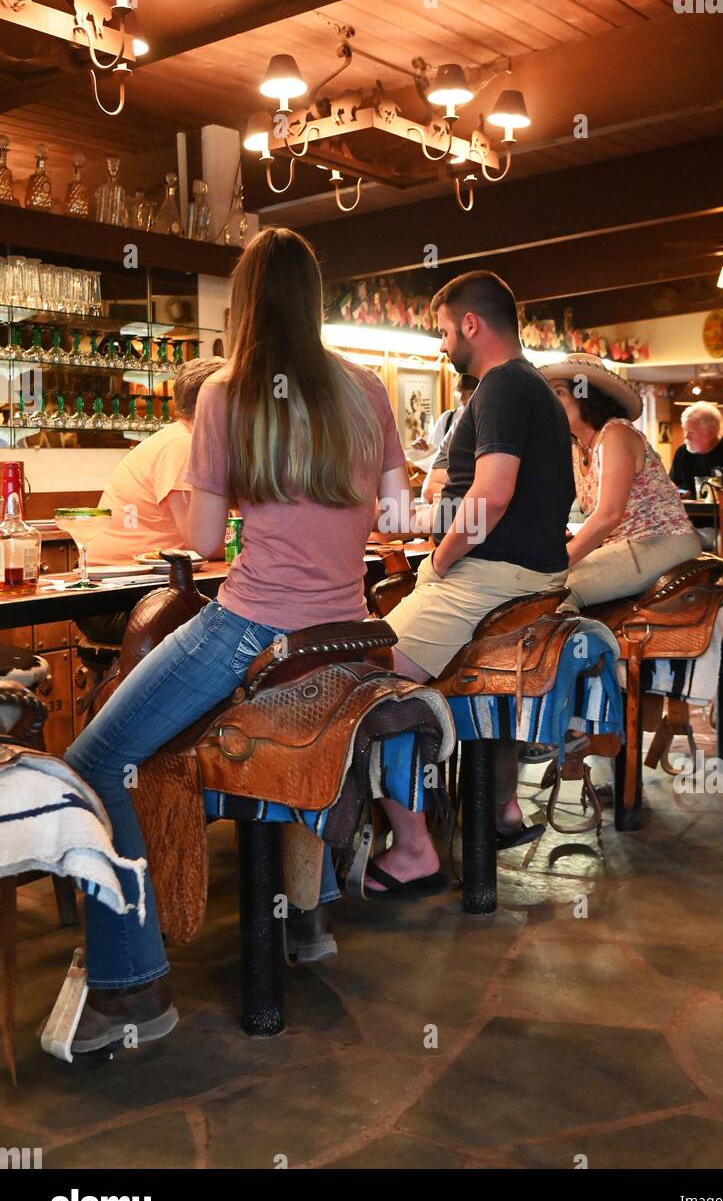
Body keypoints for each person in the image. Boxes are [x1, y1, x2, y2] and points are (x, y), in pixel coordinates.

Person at [49, 228, 412, 1056]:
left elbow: (207, 543)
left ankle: (128, 981)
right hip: (348, 638)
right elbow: (395, 517)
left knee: (96, 763)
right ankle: (305, 915)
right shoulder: (368, 388)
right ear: (315, 298)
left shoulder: (226, 395)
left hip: (251, 629)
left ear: (245, 305)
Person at [373, 270, 575, 885]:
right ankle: (479, 807)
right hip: (527, 577)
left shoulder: (500, 387)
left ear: (471, 324)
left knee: (367, 680)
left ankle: (414, 850)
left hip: (490, 577)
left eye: (441, 331)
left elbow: (489, 497)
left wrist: (437, 561)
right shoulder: (528, 387)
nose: (439, 346)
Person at [541, 354, 702, 607]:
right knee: (536, 584)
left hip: (662, 543)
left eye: (559, 392)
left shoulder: (615, 434)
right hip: (628, 546)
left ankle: (592, 646)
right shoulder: (576, 446)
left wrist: (557, 560)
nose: (549, 402)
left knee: (553, 594)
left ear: (586, 396)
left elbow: (608, 515)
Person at [88, 356, 226, 564]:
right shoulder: (183, 445)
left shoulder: (179, 438)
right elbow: (201, 543)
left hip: (138, 572)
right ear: (212, 403)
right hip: (126, 578)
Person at [409, 373, 479, 467]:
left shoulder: (492, 420)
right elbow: (434, 460)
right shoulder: (447, 419)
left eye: (469, 393)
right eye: (459, 393)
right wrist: (421, 451)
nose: (462, 399)